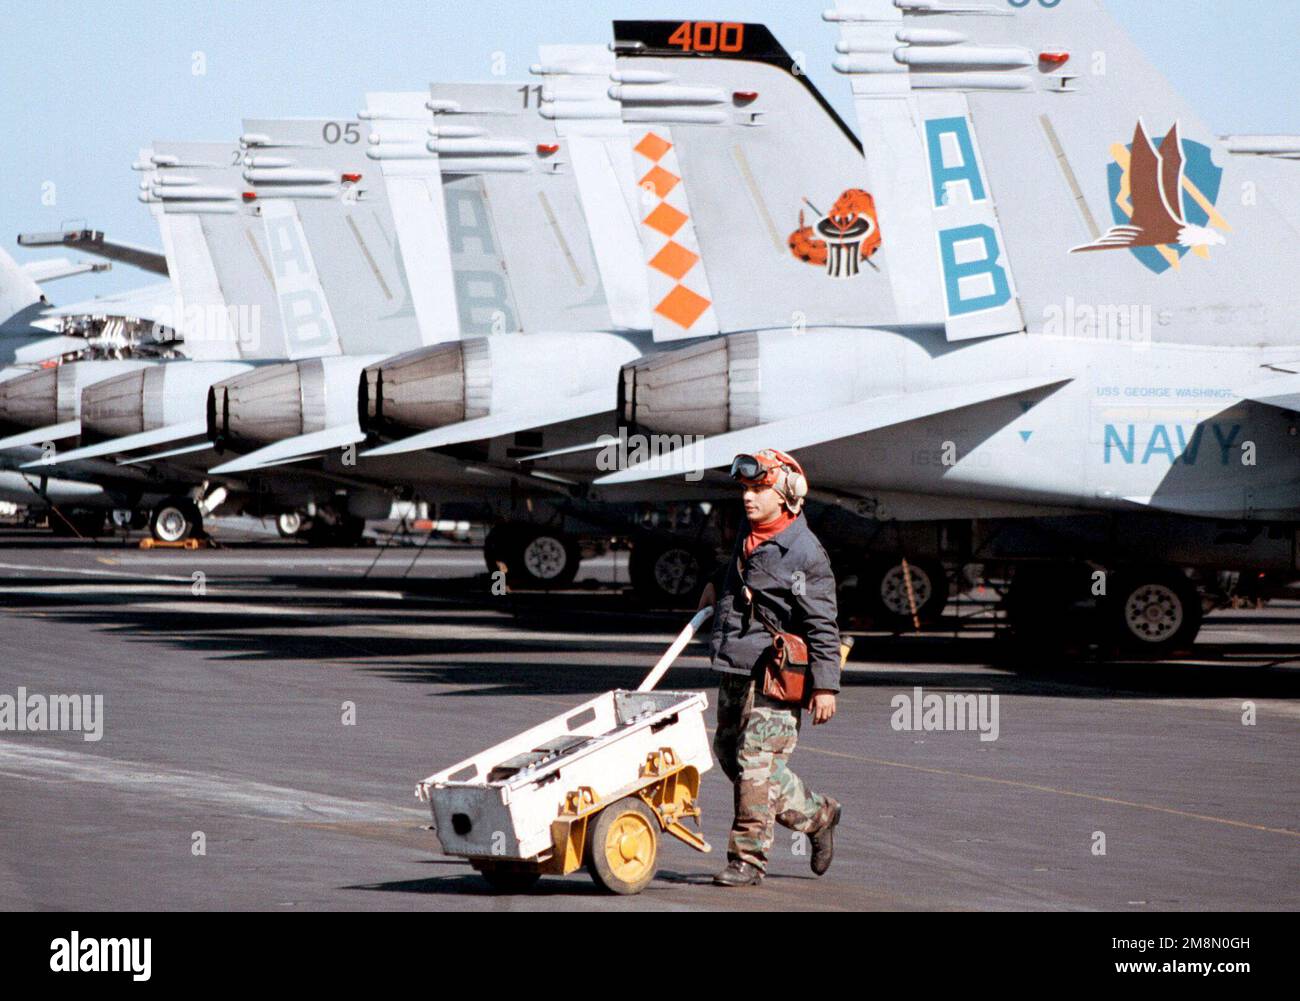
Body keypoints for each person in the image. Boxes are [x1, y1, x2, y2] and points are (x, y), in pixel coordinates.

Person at [698, 449, 843, 887]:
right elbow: (739, 571)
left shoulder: (806, 554)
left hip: (776, 677)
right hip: (737, 668)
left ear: (785, 498)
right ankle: (819, 815)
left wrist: (825, 688)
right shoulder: (749, 531)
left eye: (760, 489)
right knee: (732, 758)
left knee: (755, 766)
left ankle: (747, 861)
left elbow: (822, 623)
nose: (749, 497)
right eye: (746, 489)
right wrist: (713, 585)